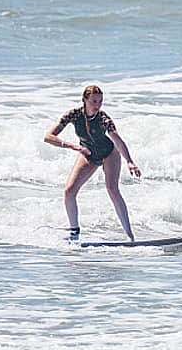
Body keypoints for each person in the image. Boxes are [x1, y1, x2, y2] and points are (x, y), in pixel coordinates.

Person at [44, 85, 141, 241]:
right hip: (88, 154)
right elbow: (48, 136)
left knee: (112, 189)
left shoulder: (104, 119)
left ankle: (130, 236)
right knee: (69, 191)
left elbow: (117, 140)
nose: (98, 105)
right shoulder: (73, 115)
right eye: (94, 101)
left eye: (100, 101)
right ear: (85, 100)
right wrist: (72, 146)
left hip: (109, 153)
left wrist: (129, 161)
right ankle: (74, 234)